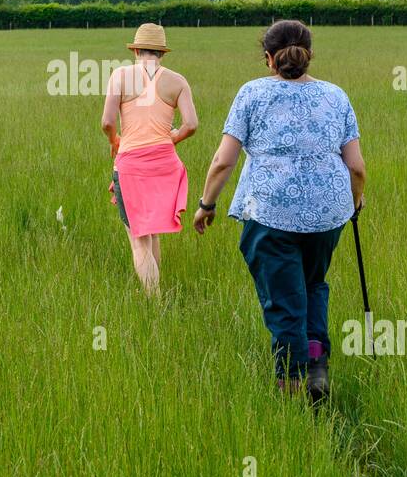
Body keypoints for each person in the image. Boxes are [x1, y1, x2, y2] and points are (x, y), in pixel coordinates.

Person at [192, 20, 366, 404]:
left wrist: (206, 205)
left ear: (268, 58)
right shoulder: (336, 95)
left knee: (284, 300)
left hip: (270, 214)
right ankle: (316, 361)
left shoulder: (252, 93)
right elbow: (356, 167)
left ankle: (291, 391)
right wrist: (354, 201)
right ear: (309, 54)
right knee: (313, 284)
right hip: (328, 215)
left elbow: (223, 161)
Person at [101, 23, 197, 297]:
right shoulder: (177, 81)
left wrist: (114, 142)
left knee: (138, 239)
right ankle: (157, 290)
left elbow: (107, 121)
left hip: (131, 165)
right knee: (152, 231)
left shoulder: (121, 76)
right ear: (162, 53)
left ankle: (155, 303)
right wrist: (171, 139)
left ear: (136, 50)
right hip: (166, 166)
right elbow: (190, 124)